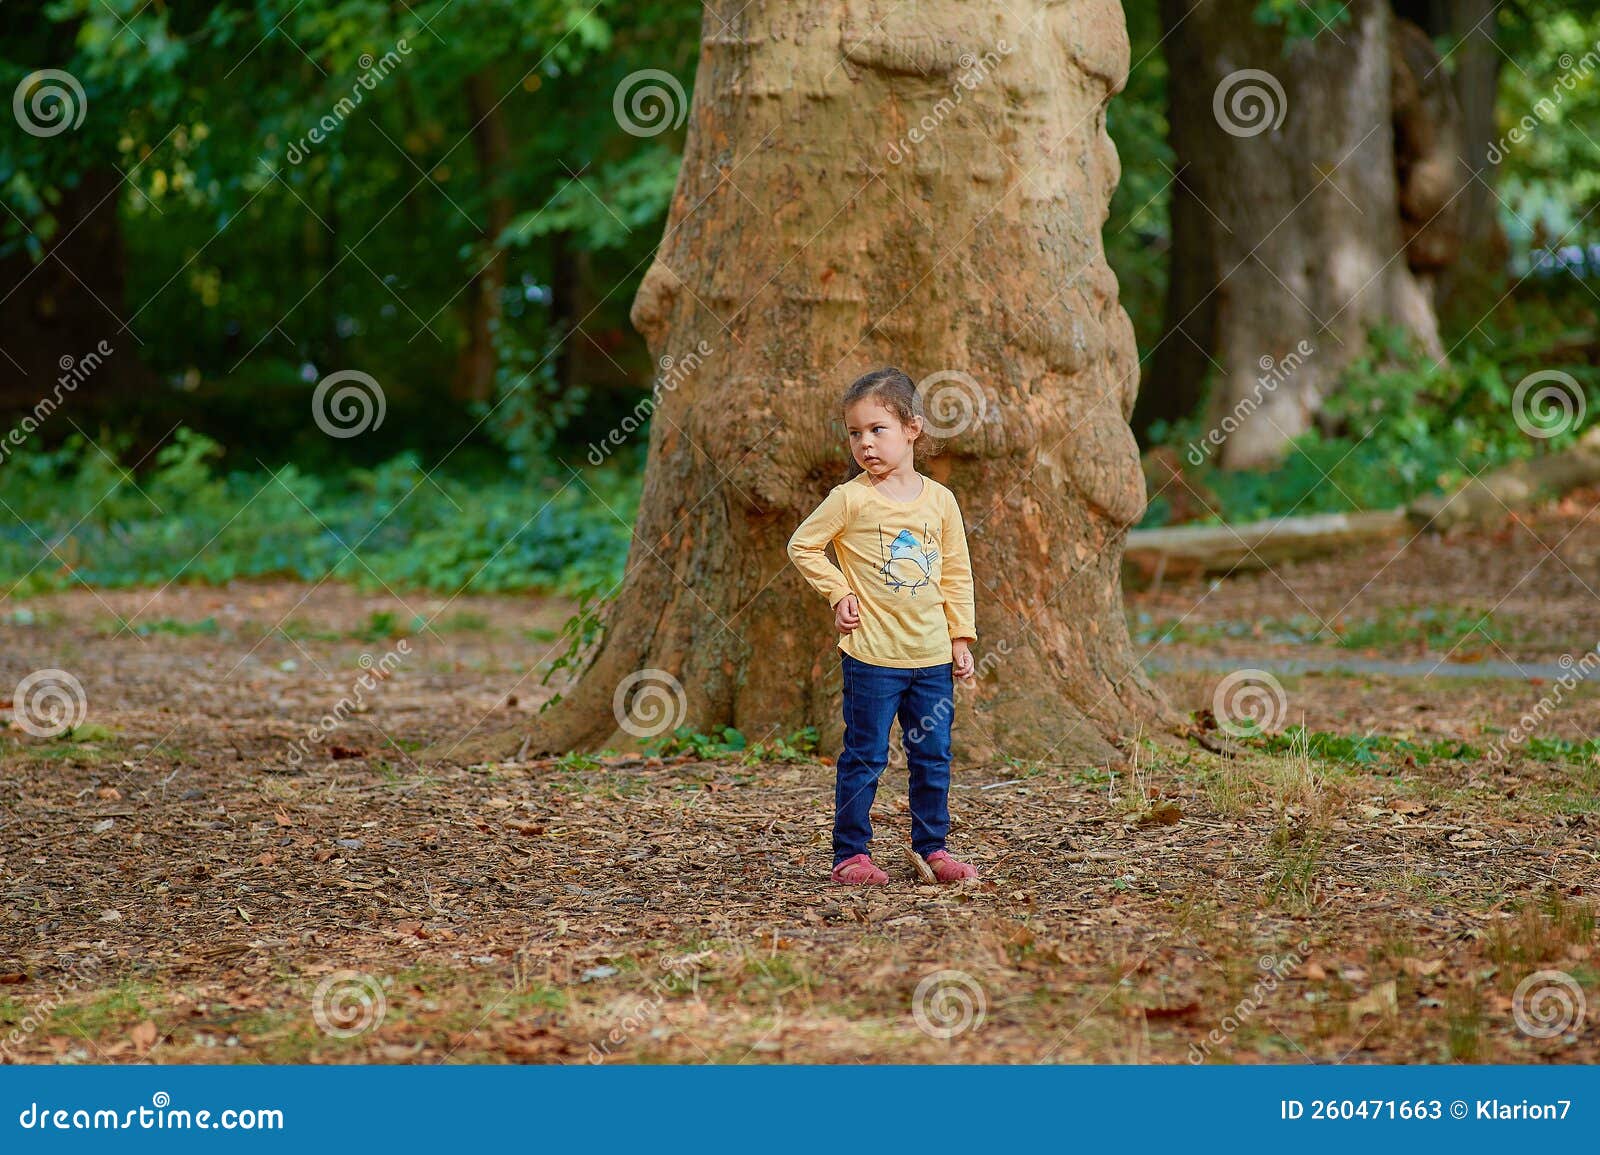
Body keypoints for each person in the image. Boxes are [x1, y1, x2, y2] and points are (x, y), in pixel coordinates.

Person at [786, 367, 980, 886]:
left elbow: (957, 572)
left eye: (878, 430)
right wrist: (840, 591)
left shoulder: (940, 501)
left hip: (932, 657)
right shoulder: (850, 499)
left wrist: (961, 637)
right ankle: (851, 854)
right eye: (855, 433)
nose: (865, 444)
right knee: (865, 755)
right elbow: (803, 545)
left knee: (933, 756)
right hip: (871, 656)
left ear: (912, 428)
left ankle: (932, 850)